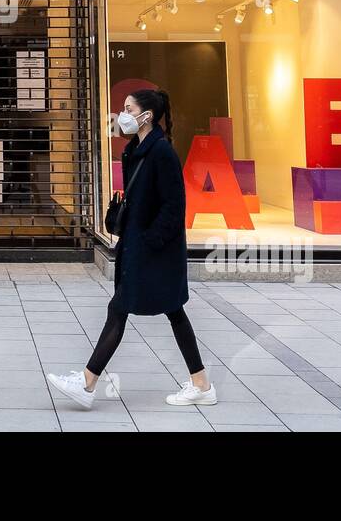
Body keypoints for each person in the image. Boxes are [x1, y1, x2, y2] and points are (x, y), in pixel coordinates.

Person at [47, 88, 215, 409]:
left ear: (146, 116)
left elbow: (173, 207)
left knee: (120, 309)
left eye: (127, 108)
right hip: (139, 245)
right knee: (172, 311)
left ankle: (86, 382)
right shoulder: (137, 149)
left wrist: (149, 241)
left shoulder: (161, 153)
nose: (121, 114)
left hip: (153, 250)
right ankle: (201, 383)